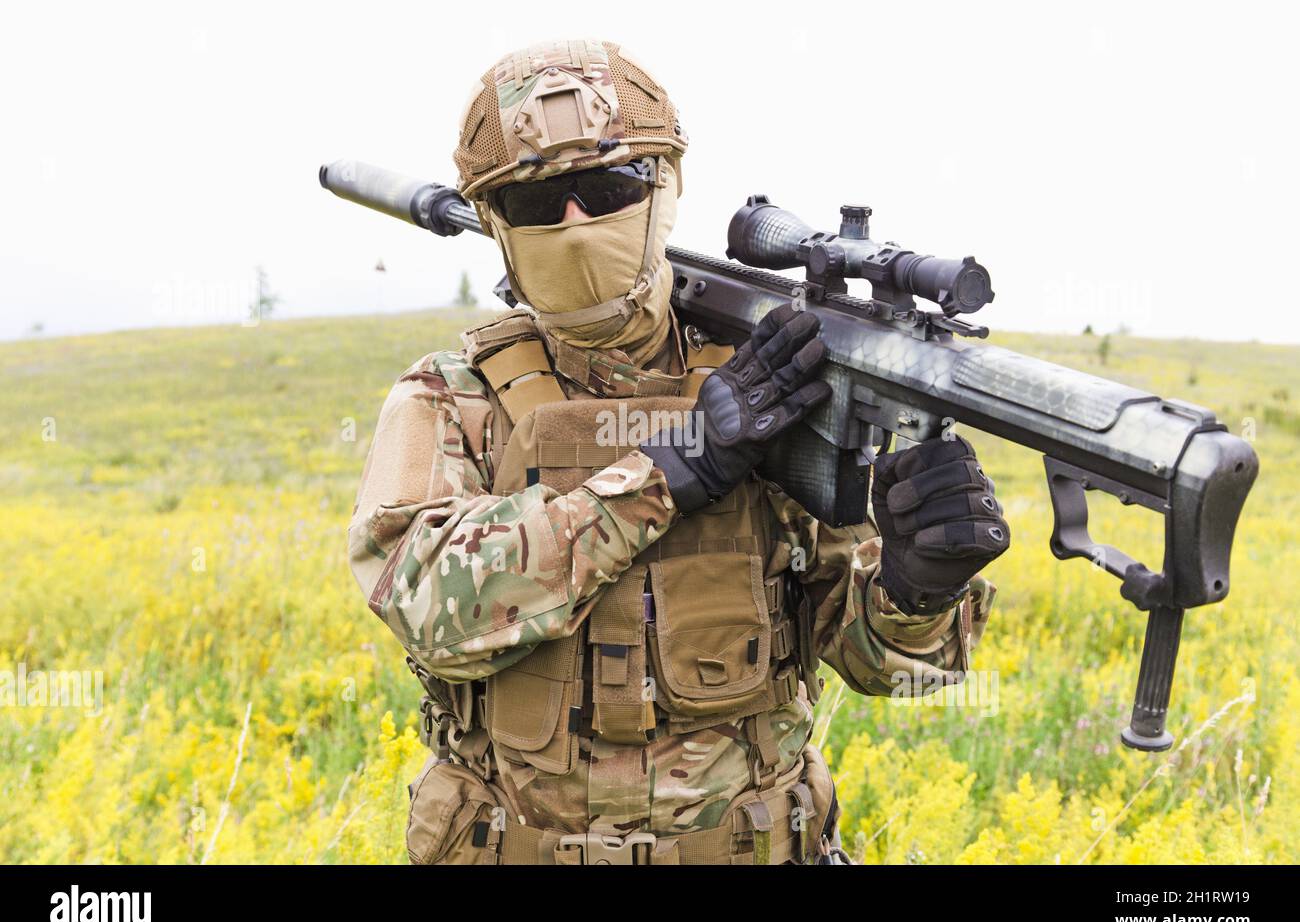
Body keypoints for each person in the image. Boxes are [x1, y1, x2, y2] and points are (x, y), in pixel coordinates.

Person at [348, 39, 1009, 865]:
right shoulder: (454, 397)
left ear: (666, 185)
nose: (577, 223)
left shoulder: (778, 385)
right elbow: (430, 609)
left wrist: (921, 585)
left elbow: (883, 665)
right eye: (538, 202)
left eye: (608, 186)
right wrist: (672, 470)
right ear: (494, 226)